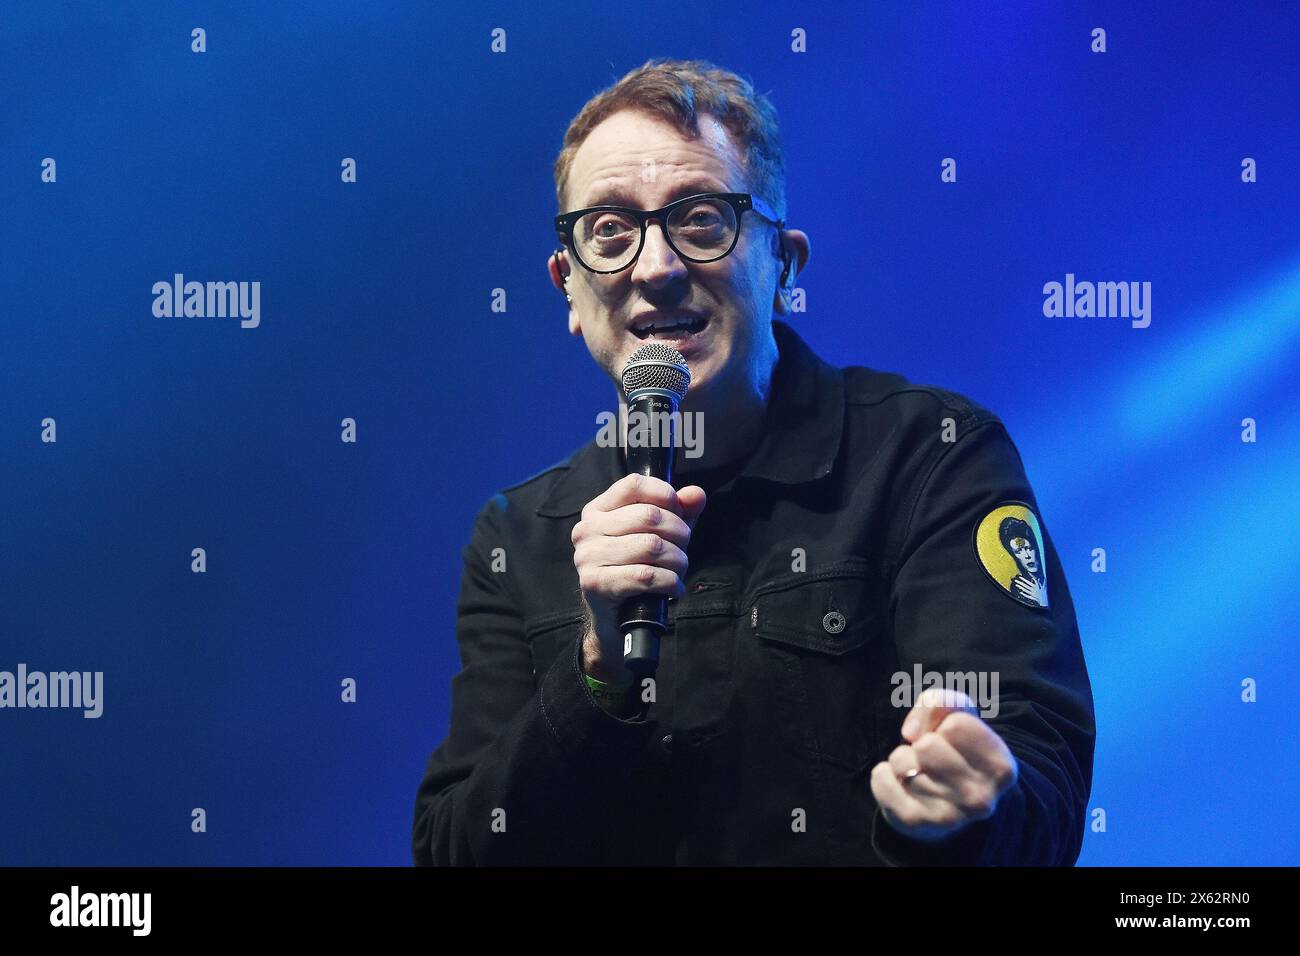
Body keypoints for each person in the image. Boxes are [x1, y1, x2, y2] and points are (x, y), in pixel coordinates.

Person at [411, 58, 1095, 866]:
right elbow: (456, 852)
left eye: (702, 219)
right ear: (568, 288)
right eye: (609, 231)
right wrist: (594, 670)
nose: (656, 268)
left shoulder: (930, 458)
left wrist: (960, 813)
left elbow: (1038, 786)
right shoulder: (517, 535)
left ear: (785, 269)